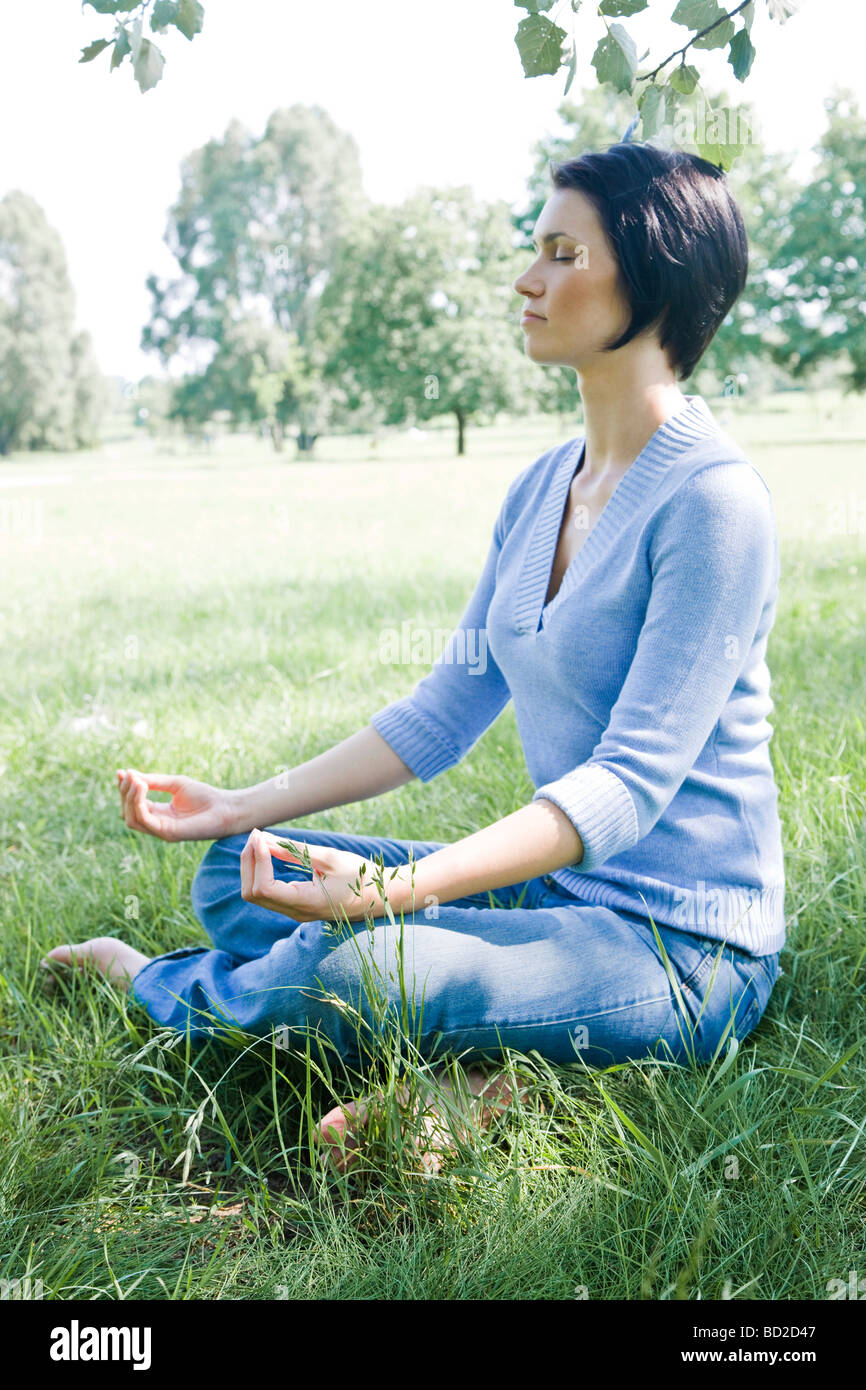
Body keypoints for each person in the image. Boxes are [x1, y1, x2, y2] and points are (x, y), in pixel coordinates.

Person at [43, 140, 785, 1171]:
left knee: (354, 974)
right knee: (244, 869)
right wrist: (241, 804)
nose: (526, 280)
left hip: (678, 947)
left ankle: (152, 984)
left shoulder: (713, 504)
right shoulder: (541, 490)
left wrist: (397, 890)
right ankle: (500, 1061)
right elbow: (448, 704)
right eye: (534, 250)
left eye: (562, 253)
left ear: (653, 277)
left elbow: (623, 787)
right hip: (559, 900)